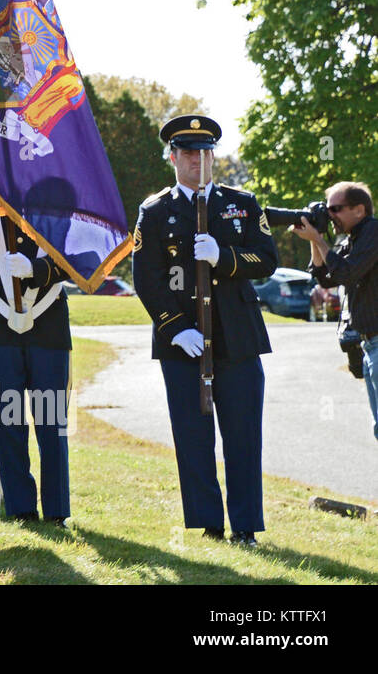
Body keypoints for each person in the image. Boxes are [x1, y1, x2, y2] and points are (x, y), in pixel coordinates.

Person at [132, 114, 277, 545]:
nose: (199, 160)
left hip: (237, 337)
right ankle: (209, 523)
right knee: (193, 437)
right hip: (183, 343)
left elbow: (266, 259)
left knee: (244, 435)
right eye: (189, 153)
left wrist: (224, 256)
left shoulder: (243, 202)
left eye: (205, 152)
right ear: (173, 158)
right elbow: (147, 279)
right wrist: (175, 329)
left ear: (214, 155)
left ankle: (246, 526)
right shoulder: (155, 211)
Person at [0, 186, 74, 527]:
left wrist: (37, 269)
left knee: (52, 422)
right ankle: (21, 506)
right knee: (7, 422)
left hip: (47, 322)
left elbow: (77, 257)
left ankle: (56, 509)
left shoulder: (59, 192)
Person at [294, 181, 377, 440]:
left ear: (359, 210)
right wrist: (314, 238)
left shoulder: (373, 232)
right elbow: (326, 278)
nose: (330, 216)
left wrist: (319, 239)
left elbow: (345, 272)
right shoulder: (351, 239)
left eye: (335, 209)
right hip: (368, 345)